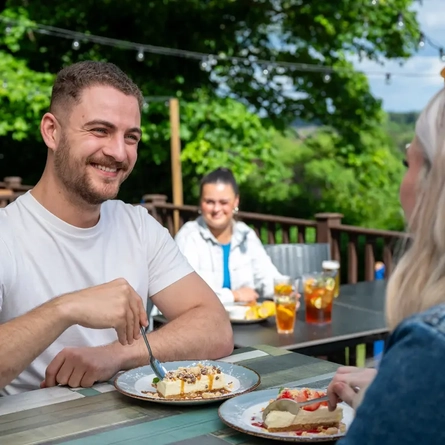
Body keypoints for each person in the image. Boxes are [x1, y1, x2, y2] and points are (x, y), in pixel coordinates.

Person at [0, 61, 233, 396]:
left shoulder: (139, 226)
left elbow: (216, 327)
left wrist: (115, 355)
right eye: (99, 130)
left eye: (131, 137)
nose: (118, 152)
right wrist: (66, 308)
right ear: (52, 131)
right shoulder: (6, 235)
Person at [327, 87, 445, 444]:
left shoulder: (430, 344)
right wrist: (394, 391)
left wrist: (407, 387)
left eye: (408, 162)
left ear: (432, 181)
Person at [174, 167, 289, 305]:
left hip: (242, 323)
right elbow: (185, 294)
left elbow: (267, 276)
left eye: (223, 202)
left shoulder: (246, 235)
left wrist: (285, 292)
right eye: (209, 202)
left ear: (236, 202)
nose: (216, 209)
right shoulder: (189, 237)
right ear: (200, 203)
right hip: (195, 323)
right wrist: (235, 295)